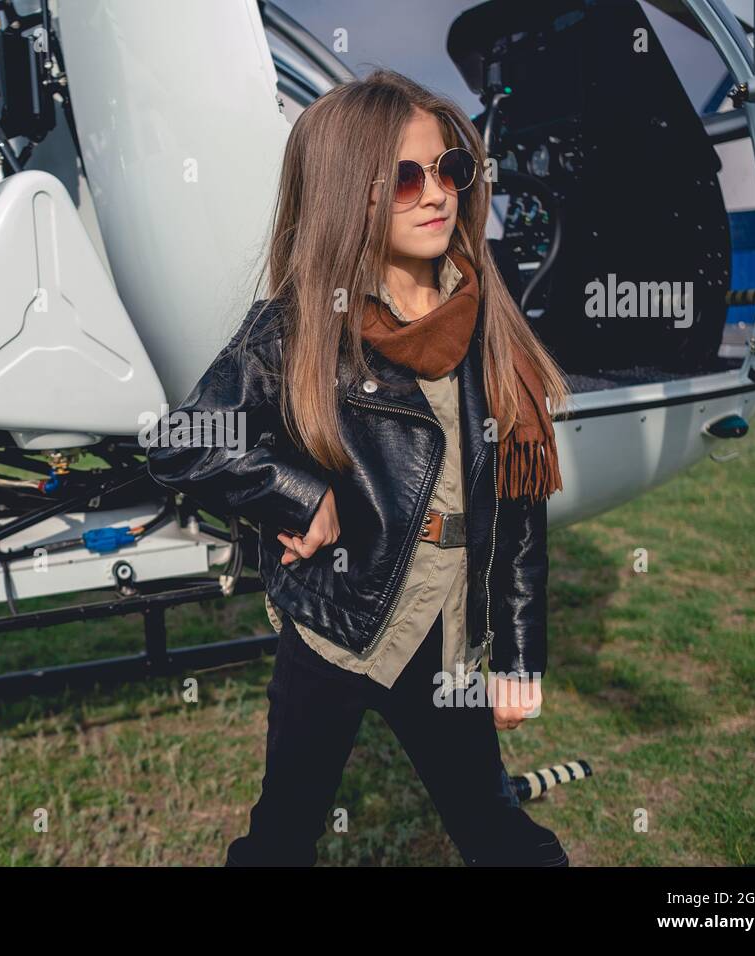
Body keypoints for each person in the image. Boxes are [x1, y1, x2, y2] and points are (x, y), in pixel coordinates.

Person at [146, 68, 571, 866]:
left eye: (448, 168)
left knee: (495, 826)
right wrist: (298, 496)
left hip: (445, 630)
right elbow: (181, 437)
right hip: (336, 623)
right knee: (283, 833)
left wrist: (517, 656)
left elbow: (519, 513)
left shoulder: (490, 324)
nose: (436, 193)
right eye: (405, 177)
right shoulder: (299, 325)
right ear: (349, 193)